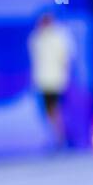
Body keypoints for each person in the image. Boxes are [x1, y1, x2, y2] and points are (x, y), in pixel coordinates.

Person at [27, 12, 73, 148]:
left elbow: (65, 58)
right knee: (51, 111)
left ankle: (60, 138)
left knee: (53, 110)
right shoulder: (38, 37)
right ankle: (58, 137)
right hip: (46, 80)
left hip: (53, 79)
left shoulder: (56, 36)